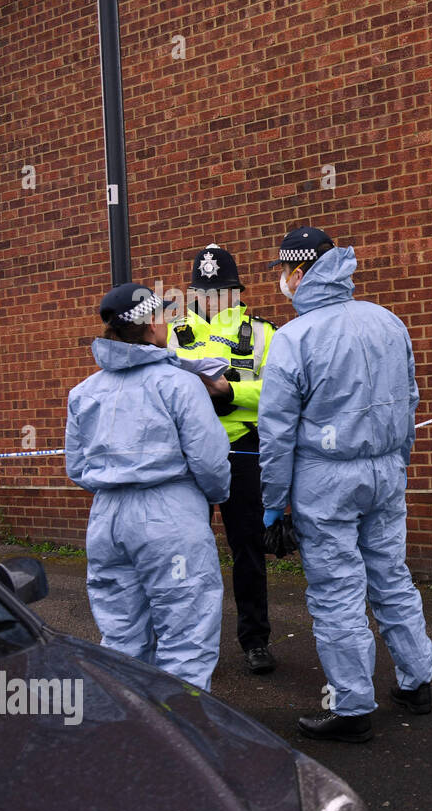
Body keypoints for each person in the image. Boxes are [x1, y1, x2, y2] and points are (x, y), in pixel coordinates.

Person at [258, 227, 432, 743]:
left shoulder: (295, 338)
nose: (279, 284)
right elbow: (411, 400)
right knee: (392, 575)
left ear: (298, 273)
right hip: (384, 471)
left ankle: (354, 708)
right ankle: (417, 681)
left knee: (337, 590)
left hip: (325, 478)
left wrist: (273, 506)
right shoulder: (387, 322)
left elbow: (276, 434)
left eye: (281, 274)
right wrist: (398, 461)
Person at [66, 284, 231, 691]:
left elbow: (77, 467)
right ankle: (183, 737)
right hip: (168, 516)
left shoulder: (84, 393)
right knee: (186, 634)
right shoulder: (179, 384)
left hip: (107, 519)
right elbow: (210, 461)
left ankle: (128, 735)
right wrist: (214, 496)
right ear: (150, 323)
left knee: (120, 635)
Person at [170, 244, 278, 674]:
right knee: (182, 552)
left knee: (248, 549)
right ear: (193, 292)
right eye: (203, 290)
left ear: (236, 290)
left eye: (221, 290)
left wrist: (230, 392)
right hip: (184, 456)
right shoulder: (169, 331)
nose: (212, 298)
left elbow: (277, 393)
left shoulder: (265, 333)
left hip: (242, 450)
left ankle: (255, 640)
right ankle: (186, 643)